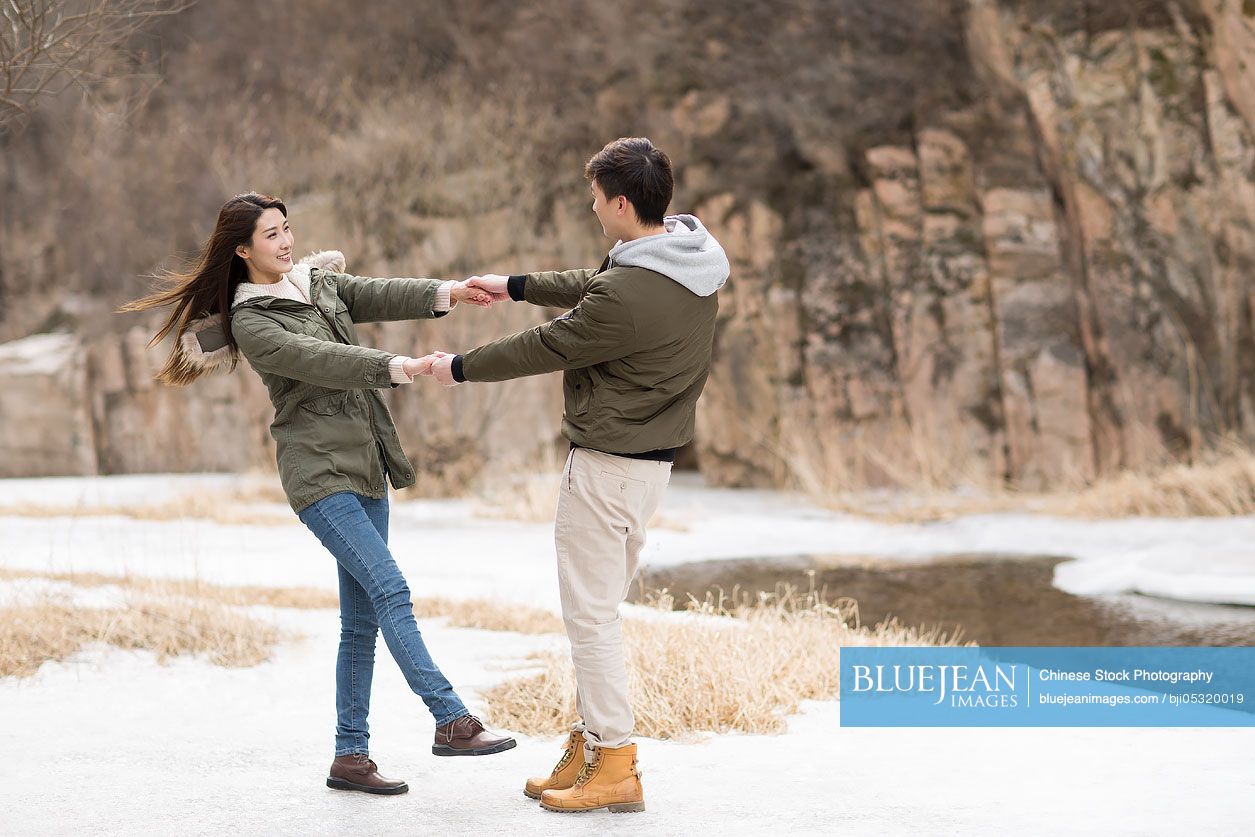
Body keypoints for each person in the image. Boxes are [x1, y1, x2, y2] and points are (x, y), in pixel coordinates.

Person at [119, 192, 516, 797]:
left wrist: (452, 292)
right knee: (390, 588)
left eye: (287, 229)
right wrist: (399, 367)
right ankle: (451, 720)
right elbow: (321, 359)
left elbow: (379, 292)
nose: (284, 242)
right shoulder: (253, 321)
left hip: (365, 464)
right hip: (317, 474)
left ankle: (349, 758)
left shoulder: (317, 282)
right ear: (243, 250)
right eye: (270, 235)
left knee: (360, 624)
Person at [415, 137, 729, 813]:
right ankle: (592, 747)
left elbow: (550, 342)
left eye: (594, 197)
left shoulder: (629, 293)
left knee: (589, 620)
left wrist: (456, 366)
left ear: (619, 203)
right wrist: (514, 285)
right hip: (645, 467)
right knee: (597, 614)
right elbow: (597, 283)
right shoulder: (683, 257)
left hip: (608, 466)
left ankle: (615, 760)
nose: (591, 208)